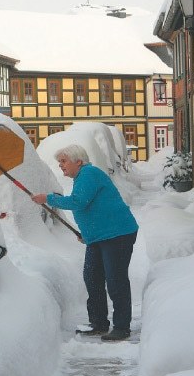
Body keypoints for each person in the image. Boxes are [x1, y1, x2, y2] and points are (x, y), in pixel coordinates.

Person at [31, 144, 138, 342]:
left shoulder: (89, 173)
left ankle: (122, 326)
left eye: (64, 161)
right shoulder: (82, 177)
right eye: (59, 162)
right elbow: (93, 208)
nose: (61, 166)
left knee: (116, 280)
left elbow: (79, 202)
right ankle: (98, 323)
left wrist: (48, 198)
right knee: (93, 277)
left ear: (78, 161)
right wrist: (88, 234)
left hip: (117, 234)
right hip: (99, 236)